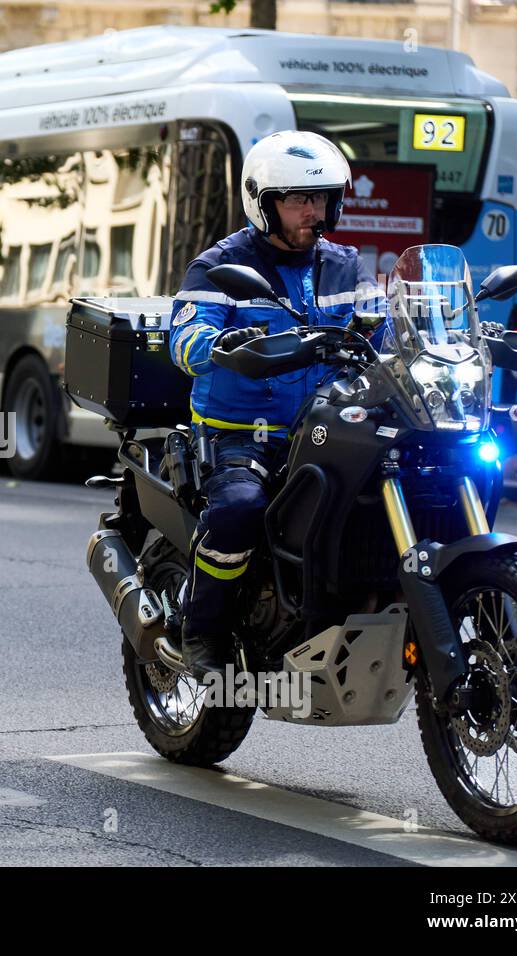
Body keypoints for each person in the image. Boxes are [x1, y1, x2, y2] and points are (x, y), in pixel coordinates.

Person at [163, 130, 384, 677]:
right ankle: (203, 628)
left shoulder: (345, 265)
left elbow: (382, 334)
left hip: (328, 426)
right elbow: (184, 337)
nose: (313, 211)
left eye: (321, 198)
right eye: (298, 199)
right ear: (263, 204)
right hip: (242, 433)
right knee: (239, 507)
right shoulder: (220, 266)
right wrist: (220, 346)